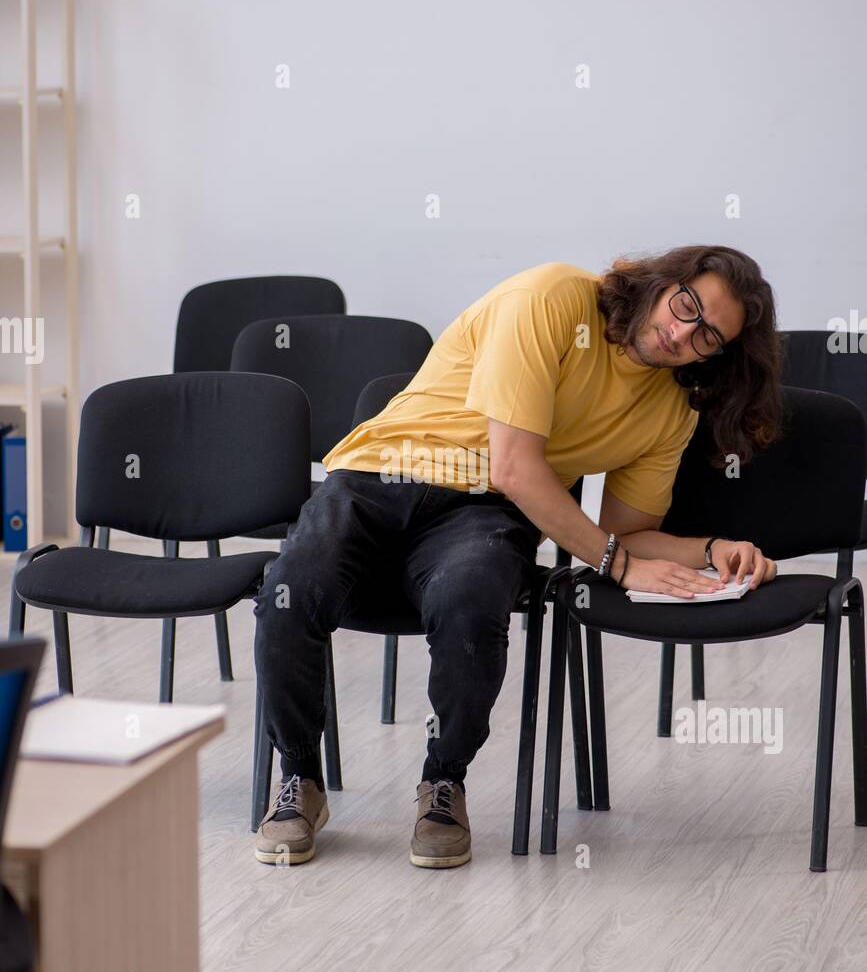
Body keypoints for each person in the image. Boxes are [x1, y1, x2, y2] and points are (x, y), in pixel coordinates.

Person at [252, 247, 783, 869]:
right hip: (377, 474)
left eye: (708, 337)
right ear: (665, 281)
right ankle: (298, 779)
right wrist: (618, 564)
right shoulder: (553, 298)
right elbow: (518, 468)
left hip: (486, 511)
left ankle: (443, 781)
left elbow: (622, 533)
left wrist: (714, 549)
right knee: (291, 590)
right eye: (686, 306)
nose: (683, 333)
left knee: (472, 602)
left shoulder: (668, 411)